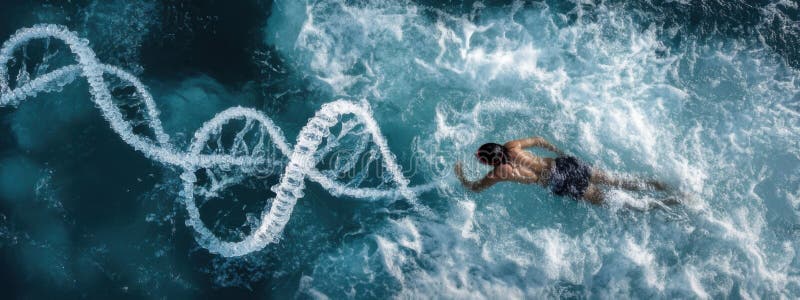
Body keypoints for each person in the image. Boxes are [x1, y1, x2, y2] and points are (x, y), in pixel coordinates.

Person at [454, 136, 671, 205]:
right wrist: (558, 151)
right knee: (618, 181)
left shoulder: (499, 172)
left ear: (490, 162)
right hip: (564, 164)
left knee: (614, 201)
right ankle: (664, 185)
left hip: (558, 181)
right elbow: (538, 139)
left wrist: (460, 174)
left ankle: (670, 203)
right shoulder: (511, 146)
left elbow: (474, 188)